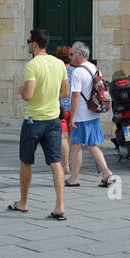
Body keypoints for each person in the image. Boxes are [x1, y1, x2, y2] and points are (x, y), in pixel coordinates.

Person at [6, 28, 68, 220]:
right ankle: (60, 206)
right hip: (53, 121)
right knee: (56, 163)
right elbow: (64, 92)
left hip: (33, 121)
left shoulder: (32, 65)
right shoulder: (59, 64)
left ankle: (23, 202)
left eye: (28, 41)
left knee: (26, 161)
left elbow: (29, 96)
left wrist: (22, 90)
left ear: (34, 43)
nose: (27, 44)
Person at [65, 42, 116, 188]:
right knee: (92, 145)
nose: (70, 57)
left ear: (80, 54)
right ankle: (106, 173)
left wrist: (72, 117)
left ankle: (73, 178)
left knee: (76, 146)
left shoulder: (77, 72)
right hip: (93, 113)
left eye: (72, 54)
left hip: (81, 115)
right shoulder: (95, 68)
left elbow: (75, 96)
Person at [54, 45, 73, 179]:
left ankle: (65, 165)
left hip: (60, 108)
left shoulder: (56, 72)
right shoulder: (76, 71)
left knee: (63, 137)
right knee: (70, 138)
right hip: (74, 109)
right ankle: (68, 163)